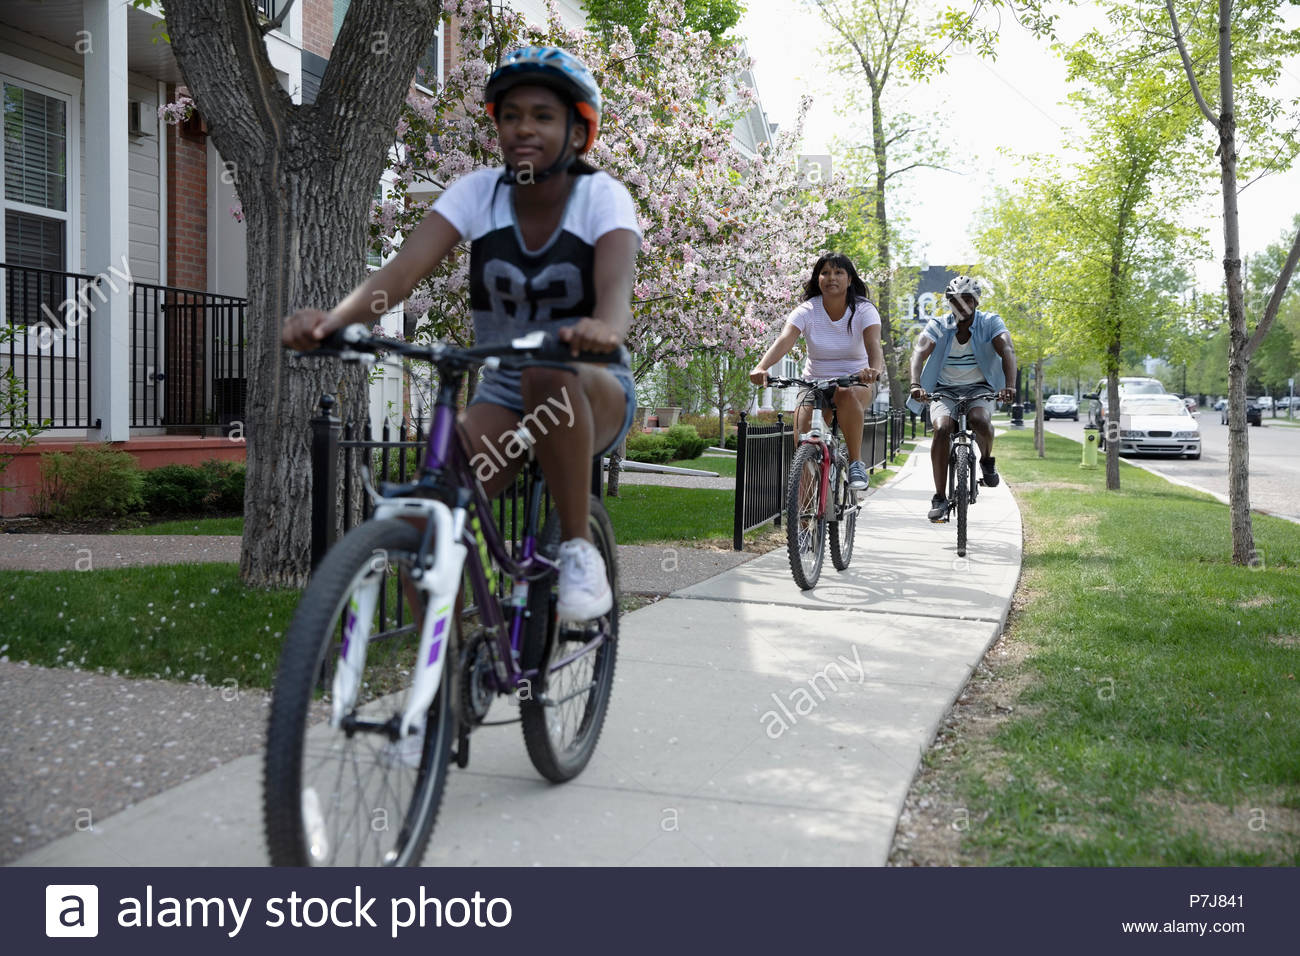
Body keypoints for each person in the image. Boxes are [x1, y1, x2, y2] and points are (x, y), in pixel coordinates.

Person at [282, 47, 640, 622]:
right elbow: (398, 276)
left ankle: (577, 549)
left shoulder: (600, 197)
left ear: (577, 134)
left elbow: (616, 291)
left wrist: (602, 327)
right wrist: (335, 320)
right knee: (426, 526)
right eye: (511, 114)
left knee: (550, 371)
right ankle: (442, 693)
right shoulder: (479, 193)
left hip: (592, 387)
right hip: (504, 394)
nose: (524, 127)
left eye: (544, 116)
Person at [748, 253, 885, 490]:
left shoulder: (864, 310)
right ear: (817, 278)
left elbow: (874, 345)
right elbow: (785, 340)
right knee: (803, 443)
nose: (832, 278)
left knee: (845, 393)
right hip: (814, 382)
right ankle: (803, 520)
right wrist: (762, 366)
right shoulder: (807, 310)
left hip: (856, 381)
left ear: (850, 279)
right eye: (825, 273)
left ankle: (855, 463)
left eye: (838, 272)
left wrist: (873, 370)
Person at [906, 275, 1017, 521]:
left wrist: (1010, 386)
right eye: (956, 301)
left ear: (976, 302)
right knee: (942, 428)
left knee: (979, 419)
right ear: (949, 302)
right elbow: (918, 353)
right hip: (944, 389)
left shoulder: (991, 322)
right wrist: (916, 385)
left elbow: (1007, 349)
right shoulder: (938, 324)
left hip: (980, 387)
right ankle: (939, 497)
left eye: (968, 300)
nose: (962, 306)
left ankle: (987, 461)